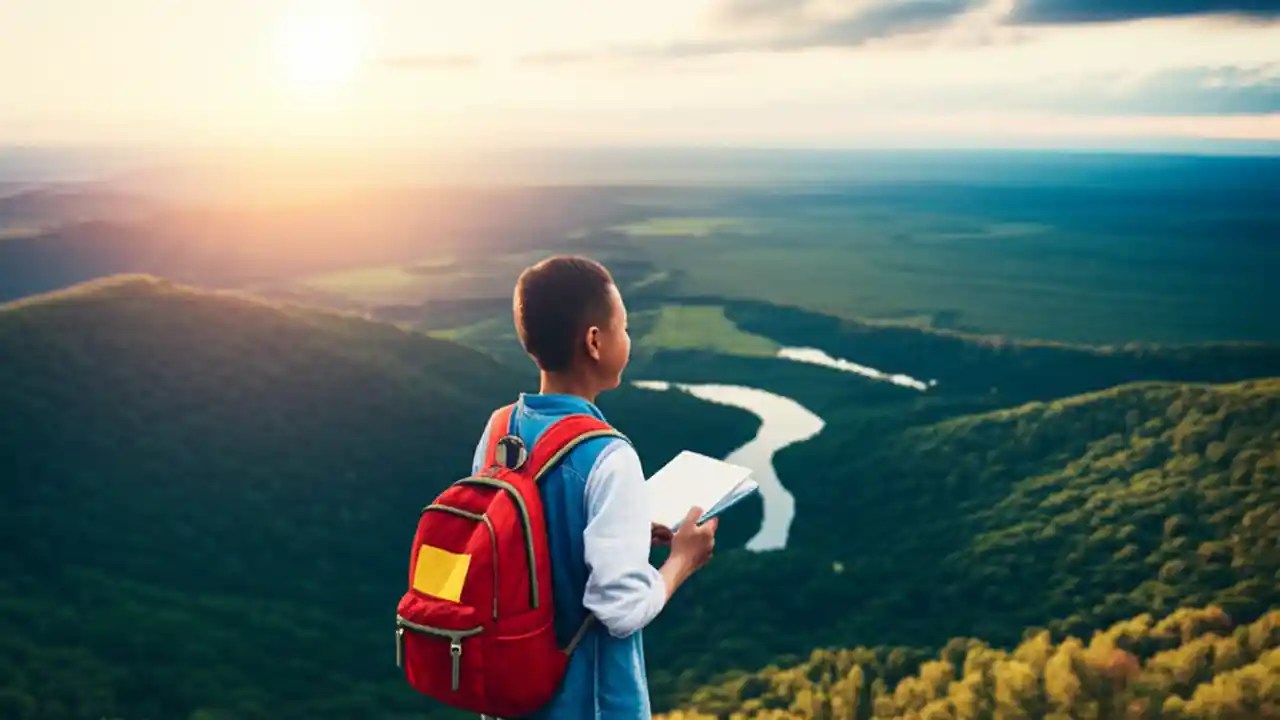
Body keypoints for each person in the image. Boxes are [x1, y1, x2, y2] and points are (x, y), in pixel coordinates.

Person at [470, 255, 718, 719]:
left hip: (511, 697)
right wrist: (683, 560)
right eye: (624, 327)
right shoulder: (610, 456)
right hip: (589, 704)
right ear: (594, 341)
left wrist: (623, 535)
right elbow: (620, 611)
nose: (629, 338)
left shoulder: (500, 430)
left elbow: (518, 543)